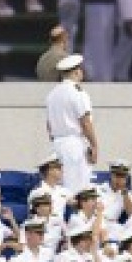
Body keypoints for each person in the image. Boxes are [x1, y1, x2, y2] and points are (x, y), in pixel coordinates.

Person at [45, 54, 100, 194]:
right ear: (76, 71)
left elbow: (49, 126)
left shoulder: (52, 94)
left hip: (57, 145)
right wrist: (94, 145)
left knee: (61, 190)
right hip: (73, 144)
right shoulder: (78, 92)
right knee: (79, 190)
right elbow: (86, 123)